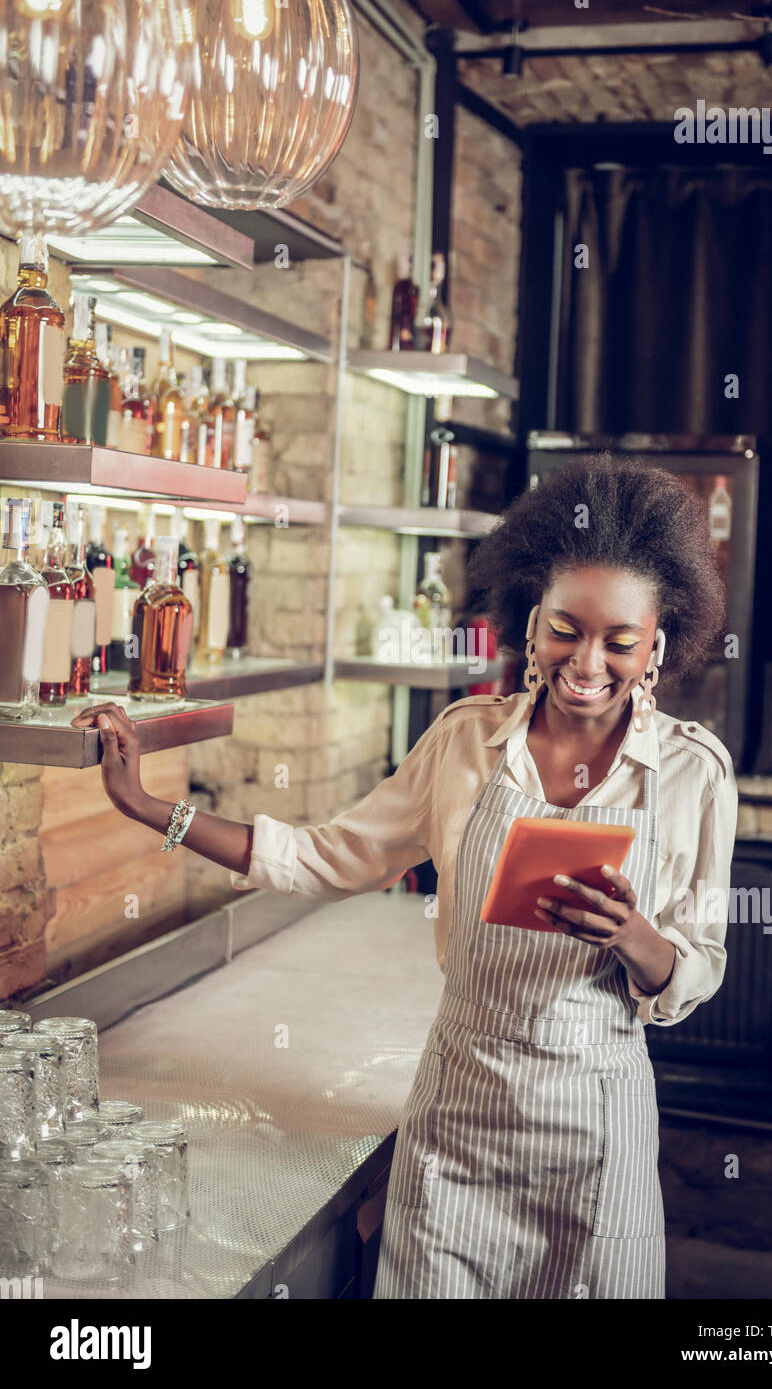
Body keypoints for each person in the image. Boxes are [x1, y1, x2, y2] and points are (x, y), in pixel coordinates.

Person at [72, 453, 738, 1300]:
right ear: (530, 621)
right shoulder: (462, 741)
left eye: (620, 640)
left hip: (594, 1133)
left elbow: (699, 964)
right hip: (456, 1118)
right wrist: (148, 806)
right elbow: (327, 854)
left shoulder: (692, 775)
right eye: (565, 627)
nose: (586, 661)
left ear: (659, 644)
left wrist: (637, 939)